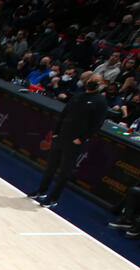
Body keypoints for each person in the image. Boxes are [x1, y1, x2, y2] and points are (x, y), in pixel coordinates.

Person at [27, 74, 109, 208]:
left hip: (75, 141)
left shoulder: (100, 101)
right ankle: (41, 190)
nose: (92, 82)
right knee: (50, 166)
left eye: (96, 81)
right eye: (91, 79)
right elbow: (64, 114)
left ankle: (53, 198)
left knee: (64, 171)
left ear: (101, 84)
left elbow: (97, 124)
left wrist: (81, 139)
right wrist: (56, 131)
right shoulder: (78, 96)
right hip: (61, 136)